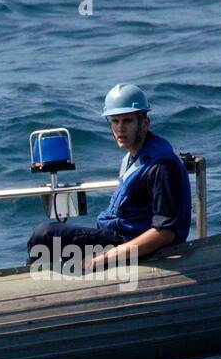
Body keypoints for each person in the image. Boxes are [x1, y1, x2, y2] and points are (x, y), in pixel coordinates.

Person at [27, 84, 191, 274]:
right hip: (118, 238)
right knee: (48, 236)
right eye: (115, 121)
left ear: (145, 123)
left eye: (128, 121)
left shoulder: (161, 166)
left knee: (45, 235)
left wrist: (101, 260)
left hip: (131, 243)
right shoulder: (134, 158)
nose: (120, 128)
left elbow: (164, 233)